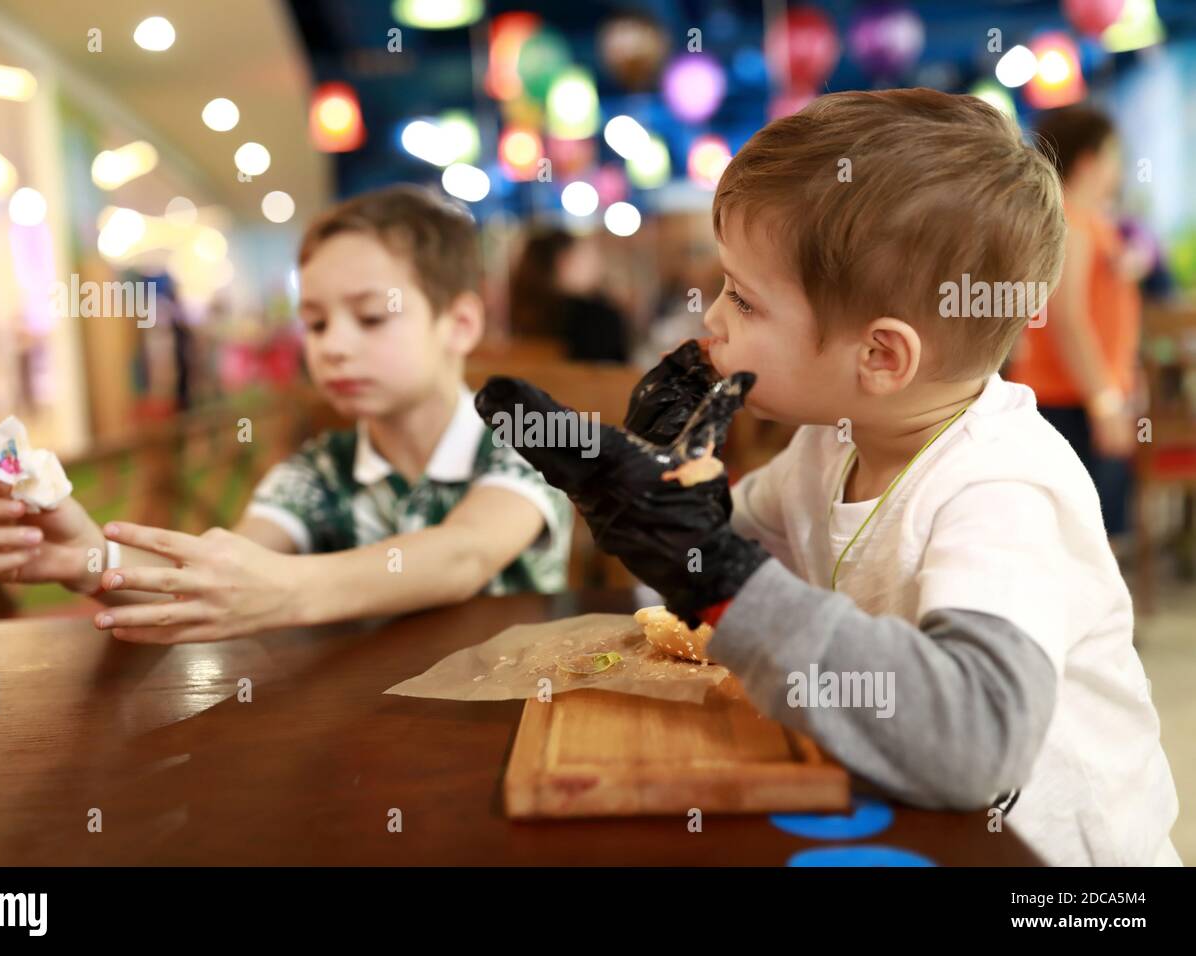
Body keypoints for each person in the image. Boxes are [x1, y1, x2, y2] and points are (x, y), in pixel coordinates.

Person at [478, 90, 1179, 866]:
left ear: (880, 357)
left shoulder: (1006, 490)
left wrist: (723, 579)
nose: (710, 318)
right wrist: (656, 503)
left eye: (742, 298)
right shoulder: (829, 446)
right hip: (906, 817)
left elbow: (973, 740)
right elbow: (698, 584)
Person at [0, 185, 572, 643]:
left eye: (370, 317)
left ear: (460, 323)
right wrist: (90, 558)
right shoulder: (318, 470)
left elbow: (462, 554)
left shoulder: (526, 442)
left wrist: (283, 591)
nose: (332, 345)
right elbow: (222, 566)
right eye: (315, 322)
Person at [1006, 104, 1145, 548]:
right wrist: (1104, 402)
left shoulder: (1084, 220)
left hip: (1081, 394)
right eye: (1114, 157)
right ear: (1089, 162)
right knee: (1082, 540)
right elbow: (1069, 321)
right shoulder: (1071, 221)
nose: (1118, 170)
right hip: (1073, 401)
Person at [509, 227, 630, 362]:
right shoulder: (599, 317)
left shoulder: (524, 312)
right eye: (587, 256)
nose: (597, 264)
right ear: (564, 261)